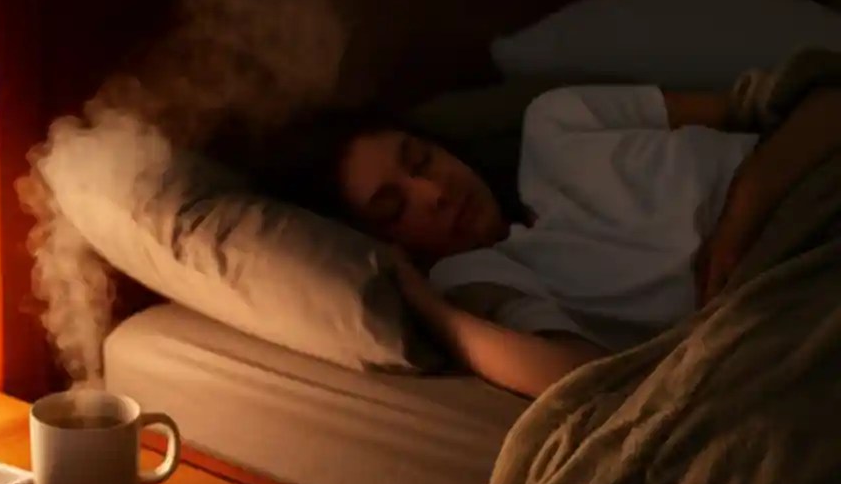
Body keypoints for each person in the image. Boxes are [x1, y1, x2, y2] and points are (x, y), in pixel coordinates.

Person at [267, 53, 841, 399]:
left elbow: (810, 104)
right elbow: (570, 377)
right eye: (396, 210)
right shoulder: (485, 272)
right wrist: (430, 309)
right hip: (793, 290)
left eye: (421, 161)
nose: (435, 194)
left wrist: (745, 208)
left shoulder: (557, 123)